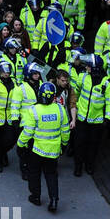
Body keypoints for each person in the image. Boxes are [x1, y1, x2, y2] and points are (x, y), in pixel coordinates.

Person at [19, 81, 71, 211]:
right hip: (53, 151)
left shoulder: (33, 110)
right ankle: (53, 200)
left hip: (37, 150)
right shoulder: (60, 109)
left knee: (34, 173)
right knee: (51, 175)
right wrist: (64, 145)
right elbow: (65, 131)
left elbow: (28, 131)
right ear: (54, 96)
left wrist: (20, 144)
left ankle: (35, 197)